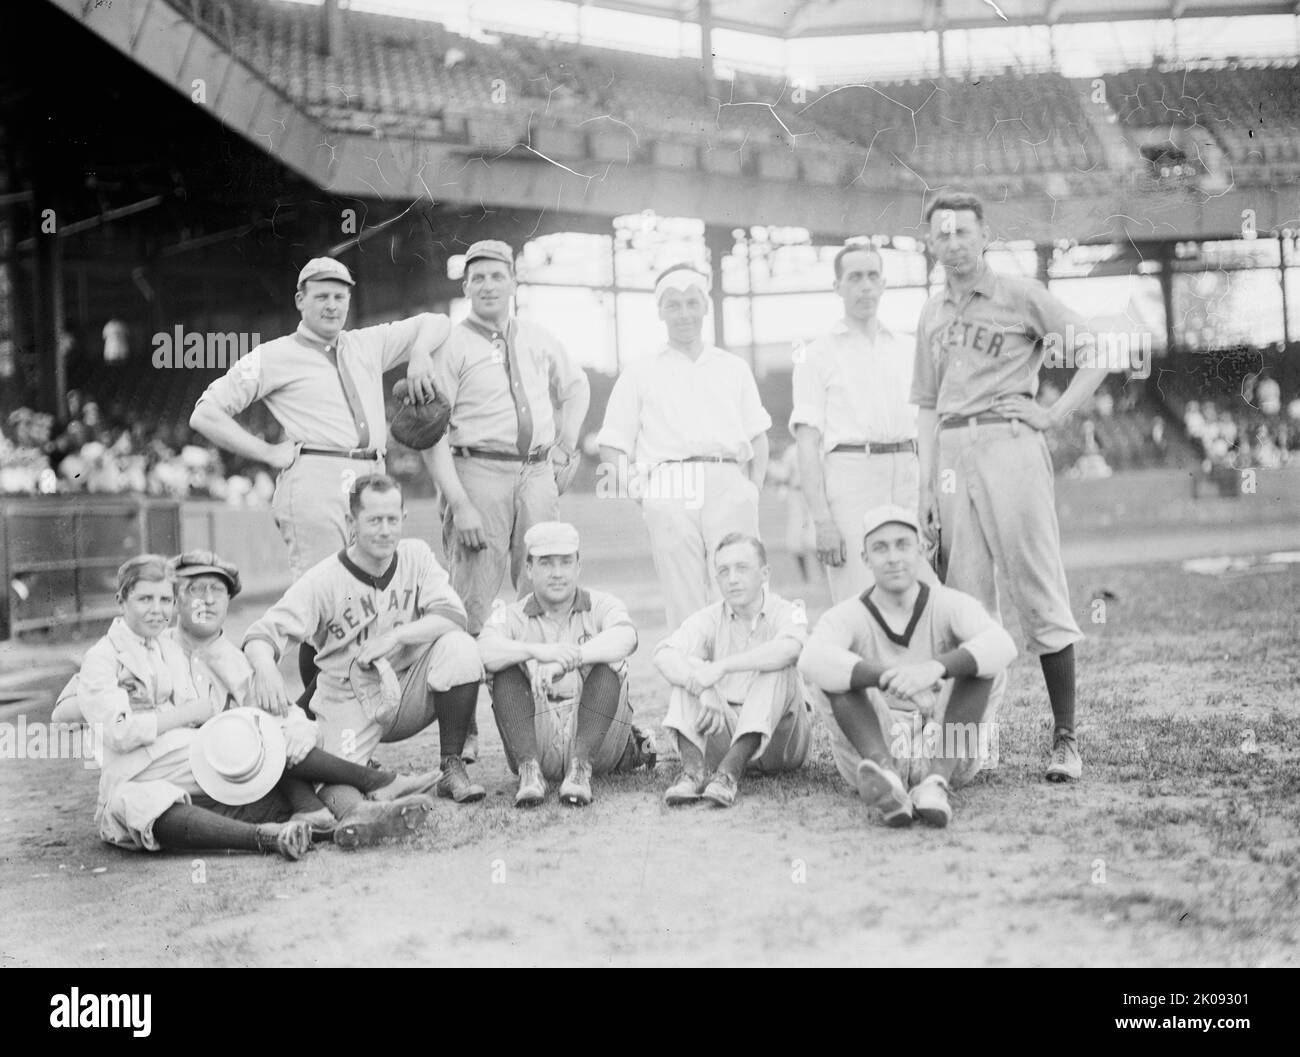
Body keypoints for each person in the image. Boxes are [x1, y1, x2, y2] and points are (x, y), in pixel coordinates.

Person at [189, 257, 450, 716]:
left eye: (340, 296)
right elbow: (205, 413)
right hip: (316, 477)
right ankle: (317, 724)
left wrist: (421, 354)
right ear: (300, 300)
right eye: (322, 296)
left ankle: (328, 719)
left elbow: (437, 321)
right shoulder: (272, 355)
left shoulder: (367, 342)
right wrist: (268, 452)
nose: (332, 305)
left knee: (363, 601)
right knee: (326, 603)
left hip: (371, 478)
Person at [913, 191, 1110, 782]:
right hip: (952, 449)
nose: (953, 242)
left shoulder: (1020, 294)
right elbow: (926, 405)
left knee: (1037, 588)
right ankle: (975, 740)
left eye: (963, 231)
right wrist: (925, 488)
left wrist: (1053, 414)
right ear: (930, 243)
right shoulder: (930, 313)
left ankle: (1065, 739)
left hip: (1011, 443)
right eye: (942, 233)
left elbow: (1098, 350)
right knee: (965, 602)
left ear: (984, 236)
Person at [76, 556, 436, 860]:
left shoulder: (199, 655)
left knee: (270, 745)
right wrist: (186, 716)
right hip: (147, 766)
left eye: (162, 600)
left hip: (196, 765)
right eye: (194, 591)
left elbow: (268, 714)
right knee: (249, 746)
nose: (157, 609)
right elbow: (90, 714)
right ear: (123, 600)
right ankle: (367, 791)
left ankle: (349, 815)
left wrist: (300, 729)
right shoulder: (124, 651)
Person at [242, 474, 487, 809]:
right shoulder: (324, 579)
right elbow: (261, 634)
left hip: (408, 688)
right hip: (349, 700)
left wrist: (396, 637)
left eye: (392, 520)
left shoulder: (416, 556)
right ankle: (374, 807)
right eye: (374, 520)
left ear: (403, 518)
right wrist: (265, 667)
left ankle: (451, 766)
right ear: (351, 522)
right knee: (334, 780)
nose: (385, 530)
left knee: (461, 647)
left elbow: (453, 615)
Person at [799, 506, 1016, 827]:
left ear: (922, 550)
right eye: (880, 548)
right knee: (831, 672)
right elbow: (811, 659)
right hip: (875, 746)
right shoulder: (848, 614)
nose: (893, 557)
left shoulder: (949, 603)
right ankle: (888, 777)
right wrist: (885, 677)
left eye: (903, 545)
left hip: (945, 743)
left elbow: (1003, 646)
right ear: (865, 558)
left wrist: (936, 669)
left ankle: (935, 784)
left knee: (985, 662)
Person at [423, 240, 590, 637]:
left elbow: (577, 386)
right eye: (478, 278)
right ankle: (465, 673)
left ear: (514, 283)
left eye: (498, 276)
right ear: (465, 287)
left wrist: (567, 443)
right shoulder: (450, 345)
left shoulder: (537, 335)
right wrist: (460, 503)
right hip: (478, 470)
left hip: (537, 471)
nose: (488, 285)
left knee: (545, 583)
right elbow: (432, 434)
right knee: (472, 595)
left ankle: (537, 671)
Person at [597, 264, 772, 629]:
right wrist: (643, 495)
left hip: (728, 478)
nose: (684, 314)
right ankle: (691, 664)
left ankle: (747, 661)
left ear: (705, 307)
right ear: (660, 311)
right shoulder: (640, 372)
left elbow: (758, 436)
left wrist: (751, 490)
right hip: (669, 483)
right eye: (673, 305)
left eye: (692, 303)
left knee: (740, 584)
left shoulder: (733, 367)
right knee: (684, 595)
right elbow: (612, 445)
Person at [791, 241, 934, 602]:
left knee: (921, 594)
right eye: (855, 278)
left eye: (873, 276)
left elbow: (929, 426)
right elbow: (807, 443)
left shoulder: (908, 348)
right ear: (837, 287)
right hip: (851, 478)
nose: (865, 286)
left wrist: (929, 494)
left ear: (883, 284)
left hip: (907, 473)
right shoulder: (816, 355)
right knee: (858, 596)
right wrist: (822, 520)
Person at [477, 521, 651, 808]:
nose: (557, 573)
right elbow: (483, 650)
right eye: (546, 563)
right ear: (529, 568)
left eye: (566, 562)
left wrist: (569, 660)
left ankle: (580, 770)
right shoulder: (509, 614)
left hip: (597, 745)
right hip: (536, 739)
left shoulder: (602, 603)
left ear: (578, 565)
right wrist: (538, 653)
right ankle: (529, 772)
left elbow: (627, 637)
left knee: (608, 660)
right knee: (504, 664)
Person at [654, 532, 812, 808]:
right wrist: (702, 688)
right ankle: (692, 774)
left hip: (781, 743)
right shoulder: (709, 617)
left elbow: (791, 649)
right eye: (724, 571)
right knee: (689, 669)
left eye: (742, 568)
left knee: (777, 665)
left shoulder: (789, 611)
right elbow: (663, 653)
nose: (733, 579)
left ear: (764, 573)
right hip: (726, 733)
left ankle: (728, 775)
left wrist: (721, 668)